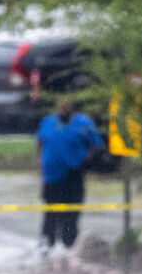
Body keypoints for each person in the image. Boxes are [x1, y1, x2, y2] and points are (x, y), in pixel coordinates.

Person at [35, 96, 104, 255]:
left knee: (71, 214)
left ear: (72, 109)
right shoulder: (48, 122)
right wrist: (42, 165)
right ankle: (47, 244)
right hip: (51, 176)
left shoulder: (84, 124)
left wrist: (86, 161)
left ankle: (69, 245)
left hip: (73, 175)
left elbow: (97, 146)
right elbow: (40, 144)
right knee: (51, 212)